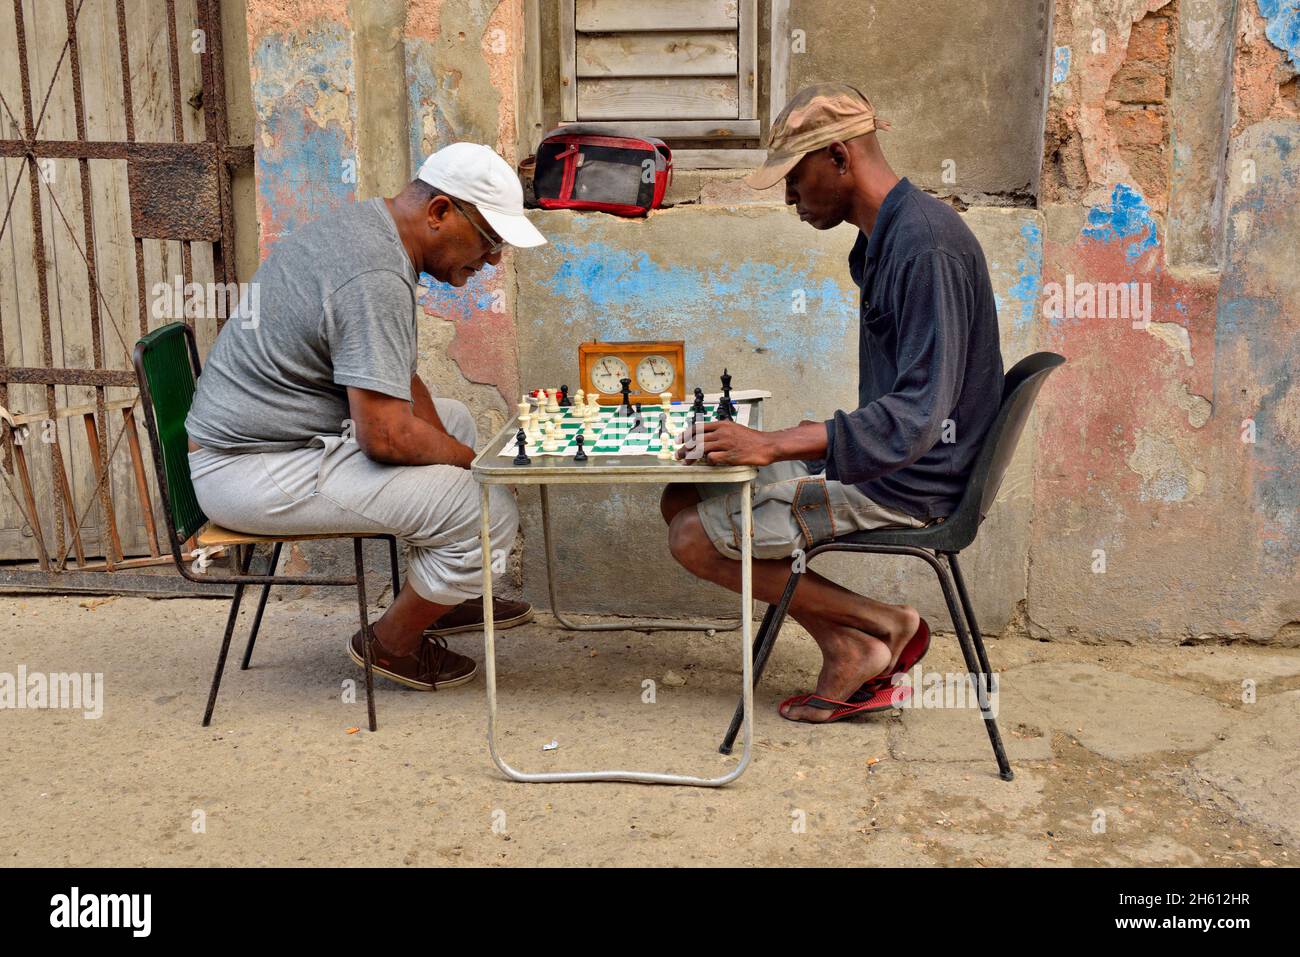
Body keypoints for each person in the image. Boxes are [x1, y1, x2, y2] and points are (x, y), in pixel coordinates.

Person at [661, 84, 1005, 723]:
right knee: (683, 493)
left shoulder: (925, 246)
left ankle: (885, 624)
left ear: (841, 158)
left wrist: (780, 443)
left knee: (692, 538)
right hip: (892, 464)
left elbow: (917, 417)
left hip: (912, 485)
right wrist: (799, 437)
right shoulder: (885, 237)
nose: (789, 197)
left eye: (795, 177)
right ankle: (848, 641)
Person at [185, 142, 546, 692]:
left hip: (274, 443)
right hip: (248, 469)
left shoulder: (370, 229)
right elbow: (385, 436)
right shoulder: (374, 272)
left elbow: (397, 377)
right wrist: (479, 469)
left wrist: (456, 450)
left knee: (454, 421)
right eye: (490, 239)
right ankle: (392, 642)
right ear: (440, 211)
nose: (494, 259)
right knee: (487, 506)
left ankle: (445, 599)